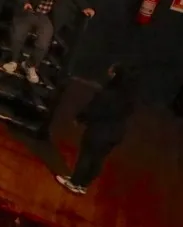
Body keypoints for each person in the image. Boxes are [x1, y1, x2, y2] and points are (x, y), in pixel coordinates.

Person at [1, 0, 94, 84]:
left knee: (43, 44)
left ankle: (30, 65)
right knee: (17, 35)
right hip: (30, 11)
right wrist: (25, 2)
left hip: (46, 16)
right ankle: (13, 61)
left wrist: (85, 7)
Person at [57, 64, 136, 195]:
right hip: (115, 134)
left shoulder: (107, 94)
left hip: (99, 131)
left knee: (86, 156)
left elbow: (93, 110)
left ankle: (74, 183)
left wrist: (79, 118)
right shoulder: (128, 96)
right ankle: (83, 185)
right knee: (98, 160)